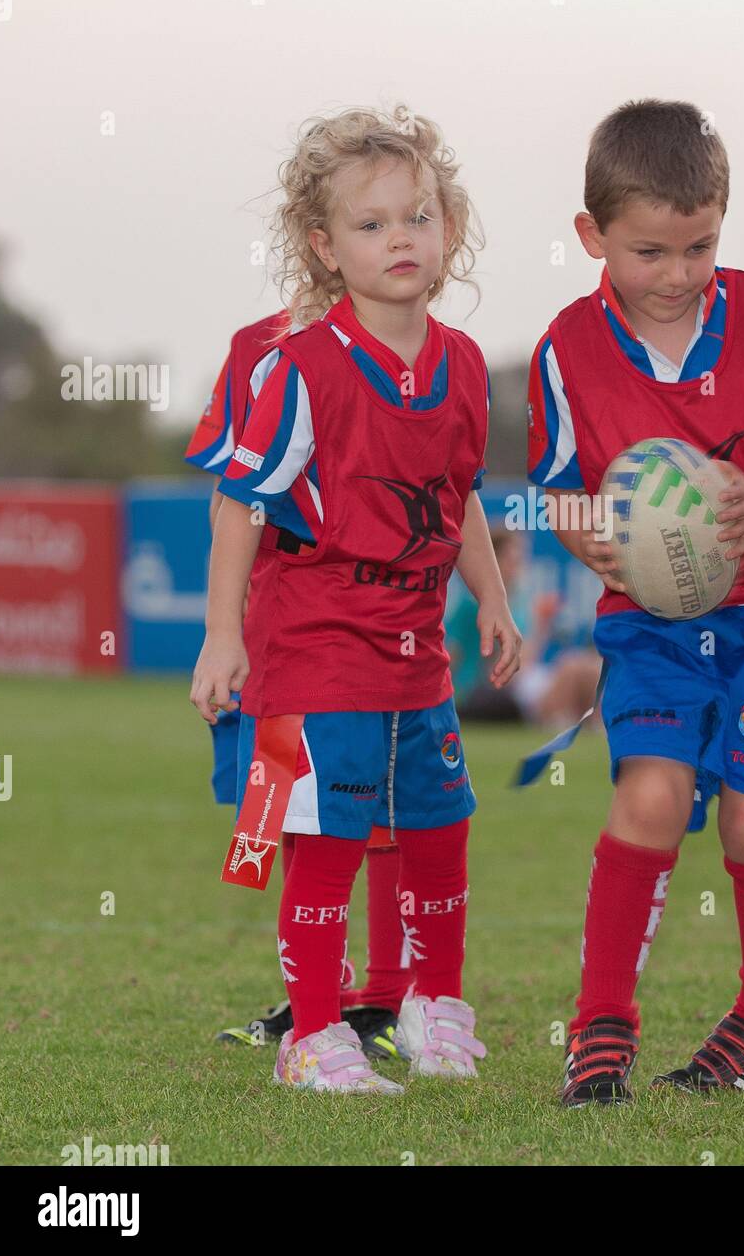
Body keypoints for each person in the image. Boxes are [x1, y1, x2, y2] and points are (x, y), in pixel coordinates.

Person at [191, 106, 522, 1094]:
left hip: (416, 651)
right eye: (370, 225)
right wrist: (221, 637)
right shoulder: (300, 368)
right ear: (324, 247)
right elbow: (240, 502)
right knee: (325, 834)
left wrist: (493, 602)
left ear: (448, 226)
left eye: (416, 216)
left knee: (437, 824)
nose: (399, 239)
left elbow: (455, 493)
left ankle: (434, 1008)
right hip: (315, 642)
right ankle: (315, 1037)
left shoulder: (463, 365)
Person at [527, 99, 744, 1107]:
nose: (675, 273)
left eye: (698, 245)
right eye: (648, 251)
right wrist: (591, 533)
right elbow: (557, 490)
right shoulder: (565, 348)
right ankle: (601, 1028)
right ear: (591, 238)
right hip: (651, 625)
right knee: (651, 797)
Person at [185, 314, 416, 1062]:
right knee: (279, 814)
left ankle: (384, 996)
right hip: (279, 633)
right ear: (317, 233)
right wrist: (225, 632)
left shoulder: (414, 342)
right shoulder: (260, 345)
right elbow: (233, 492)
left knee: (383, 809)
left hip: (375, 632)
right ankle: (319, 991)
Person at [447, 528, 602, 727]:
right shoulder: (472, 605)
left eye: (520, 560)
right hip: (493, 689)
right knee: (572, 668)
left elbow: (525, 660)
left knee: (588, 668)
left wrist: (542, 625)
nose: (518, 567)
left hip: (519, 680)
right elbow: (471, 660)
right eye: (512, 560)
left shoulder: (519, 604)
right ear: (494, 562)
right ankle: (565, 723)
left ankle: (595, 727)